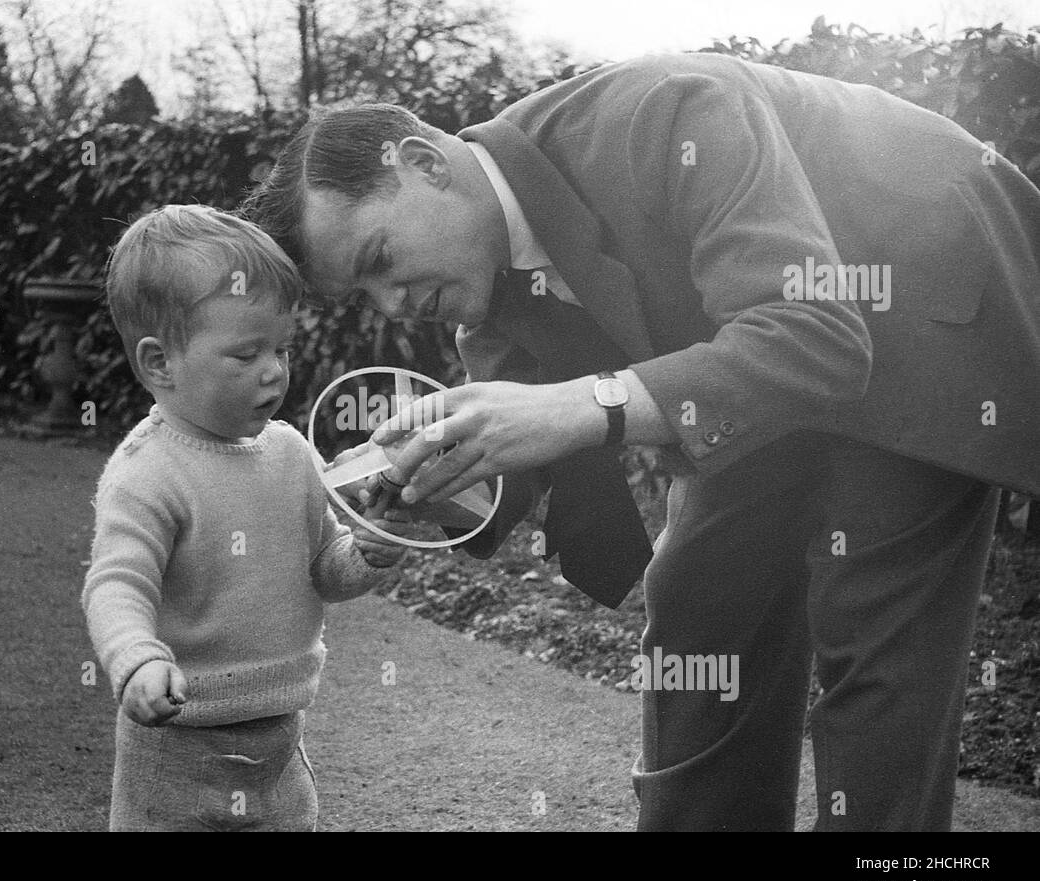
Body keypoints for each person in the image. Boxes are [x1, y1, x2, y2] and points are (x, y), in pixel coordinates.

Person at [240, 52, 1040, 831]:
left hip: (921, 301)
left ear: (423, 162)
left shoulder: (670, 111)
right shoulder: (482, 287)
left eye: (381, 258)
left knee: (874, 647)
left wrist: (586, 401)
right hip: (766, 366)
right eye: (364, 291)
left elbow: (814, 335)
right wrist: (414, 486)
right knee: (696, 598)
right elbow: (526, 460)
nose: (392, 301)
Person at [82, 204, 409, 831]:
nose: (273, 371)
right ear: (160, 364)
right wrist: (139, 660)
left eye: (281, 349)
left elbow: (323, 569)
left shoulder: (291, 453)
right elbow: (116, 585)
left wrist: (364, 552)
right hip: (176, 741)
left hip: (280, 737)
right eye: (245, 354)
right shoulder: (147, 473)